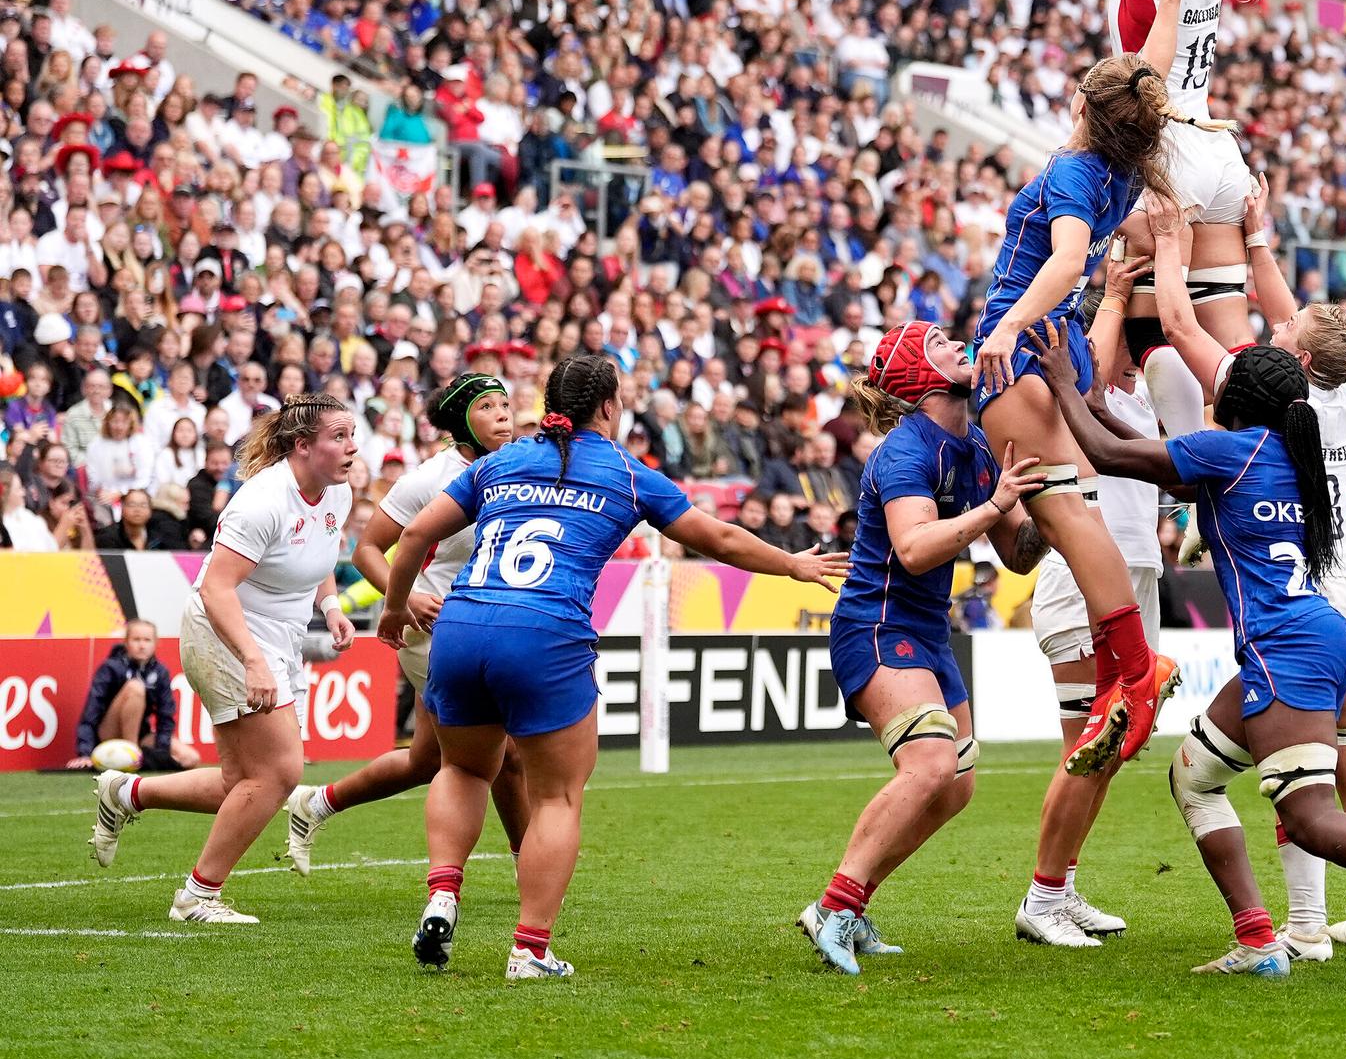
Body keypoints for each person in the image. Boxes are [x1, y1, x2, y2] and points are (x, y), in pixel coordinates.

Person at [1028, 324, 1346, 988]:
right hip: (1308, 635)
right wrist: (1092, 396)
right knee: (1193, 779)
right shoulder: (1285, 451)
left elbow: (1112, 454)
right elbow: (1133, 443)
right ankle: (1258, 939)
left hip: (1287, 645)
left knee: (1310, 818)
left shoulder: (1226, 451)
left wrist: (1061, 382)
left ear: (1233, 395)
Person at [379, 353, 844, 979]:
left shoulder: (498, 462)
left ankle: (442, 893)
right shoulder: (627, 473)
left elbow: (409, 538)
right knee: (556, 797)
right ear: (607, 407)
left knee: (462, 767)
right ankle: (529, 950)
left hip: (461, 627)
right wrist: (793, 565)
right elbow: (724, 540)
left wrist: (393, 612)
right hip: (543, 634)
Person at [1139, 188, 1346, 958]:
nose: (1277, 317)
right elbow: (1297, 316)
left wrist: (1172, 242)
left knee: (1297, 778)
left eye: (1288, 324)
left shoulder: (1267, 393)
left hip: (1314, 588)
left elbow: (1177, 324)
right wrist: (1256, 234)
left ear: (1297, 355)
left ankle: (1302, 926)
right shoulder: (1329, 388)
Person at [995, 0, 1278, 436]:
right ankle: (1250, 440)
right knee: (1219, 325)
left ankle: (1163, 470)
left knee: (1136, 328)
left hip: (1167, 156)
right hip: (1219, 156)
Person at [970, 0, 1198, 777]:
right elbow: (1154, 76)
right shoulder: (1126, 164)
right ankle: (1131, 673)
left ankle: (1135, 675)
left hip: (1024, 335)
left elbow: (1066, 261)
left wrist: (1002, 330)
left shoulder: (1074, 172)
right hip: (1058, 338)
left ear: (1080, 103)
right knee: (1070, 510)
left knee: (1063, 512)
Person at [801, 322, 1048, 973]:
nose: (961, 345)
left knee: (955, 785)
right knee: (932, 766)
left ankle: (850, 908)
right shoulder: (905, 450)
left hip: (927, 631)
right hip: (878, 624)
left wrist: (1058, 501)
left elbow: (1019, 556)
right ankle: (833, 905)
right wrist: (994, 506)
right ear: (916, 371)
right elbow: (912, 550)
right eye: (940, 342)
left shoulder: (977, 444)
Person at [87, 396, 360, 925]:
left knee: (244, 782)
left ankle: (127, 792)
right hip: (224, 632)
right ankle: (196, 896)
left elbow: (322, 552)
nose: (352, 448)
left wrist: (329, 605)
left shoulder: (336, 491)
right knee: (281, 771)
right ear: (303, 445)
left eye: (353, 436)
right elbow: (216, 589)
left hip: (273, 637)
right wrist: (255, 663)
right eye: (340, 437)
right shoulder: (262, 499)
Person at [279, 374, 528, 874]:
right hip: (432, 628)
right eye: (488, 407)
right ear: (461, 422)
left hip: (484, 624)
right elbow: (366, 549)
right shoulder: (429, 479)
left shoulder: (516, 466)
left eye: (506, 404)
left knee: (425, 762)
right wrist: (406, 596)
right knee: (505, 751)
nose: (504, 413)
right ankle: (532, 860)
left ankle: (317, 803)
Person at [1013, 257, 1168, 950]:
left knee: (1108, 750)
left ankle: (1062, 888)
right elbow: (1094, 374)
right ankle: (1041, 898)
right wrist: (1109, 293)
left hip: (1134, 574)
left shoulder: (1148, 397)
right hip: (1081, 581)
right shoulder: (1080, 397)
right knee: (1086, 744)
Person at [70, 619, 201, 772]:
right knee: (135, 687)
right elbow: (91, 712)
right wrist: (85, 753)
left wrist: (162, 751)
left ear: (155, 643)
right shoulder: (110, 667)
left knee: (190, 758)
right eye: (136, 640)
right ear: (126, 642)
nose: (142, 645)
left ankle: (137, 758)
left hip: (141, 735)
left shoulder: (160, 672)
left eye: (147, 640)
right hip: (108, 735)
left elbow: (166, 716)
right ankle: (132, 755)